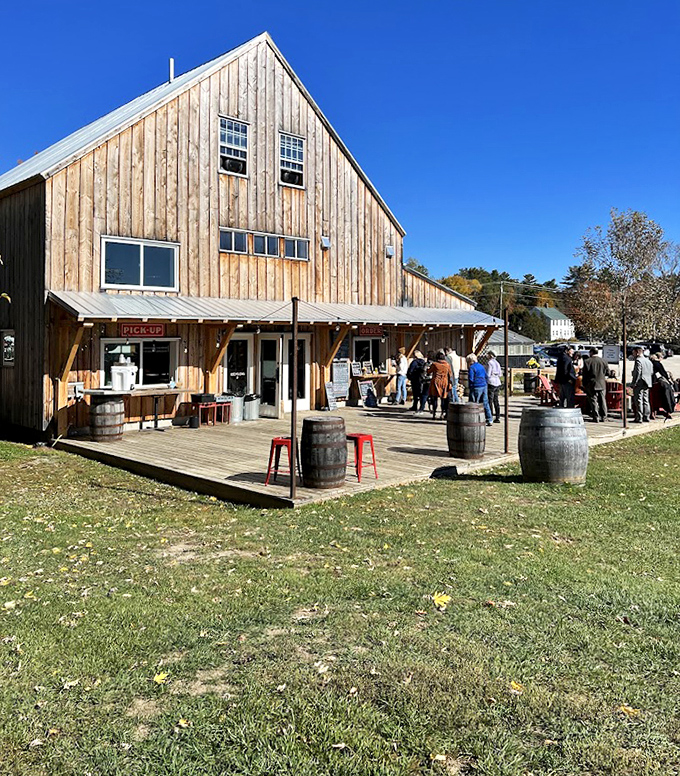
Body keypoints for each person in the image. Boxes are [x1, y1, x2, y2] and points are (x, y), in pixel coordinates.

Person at [581, 347, 608, 422]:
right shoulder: (604, 361)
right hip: (602, 383)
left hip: (591, 383)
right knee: (602, 400)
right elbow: (607, 372)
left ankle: (596, 417)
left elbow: (585, 374)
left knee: (593, 400)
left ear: (591, 352)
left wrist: (584, 384)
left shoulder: (587, 361)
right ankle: (604, 416)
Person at [466, 353, 493, 426]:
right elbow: (486, 376)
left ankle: (473, 419)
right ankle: (489, 419)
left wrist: (469, 387)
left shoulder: (472, 368)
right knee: (485, 403)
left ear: (470, 361)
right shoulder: (481, 366)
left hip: (476, 386)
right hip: (484, 385)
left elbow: (471, 378)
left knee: (474, 403)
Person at [427, 351, 452, 419]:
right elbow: (450, 374)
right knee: (443, 398)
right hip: (444, 382)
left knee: (434, 398)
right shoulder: (447, 365)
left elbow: (429, 371)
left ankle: (434, 413)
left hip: (436, 382)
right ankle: (442, 413)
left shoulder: (435, 364)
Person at [631, 345, 653, 423]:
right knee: (646, 400)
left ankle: (639, 417)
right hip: (647, 382)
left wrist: (634, 383)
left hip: (640, 382)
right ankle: (646, 416)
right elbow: (651, 372)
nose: (632, 354)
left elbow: (638, 373)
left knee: (639, 400)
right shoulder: (648, 361)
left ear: (637, 352)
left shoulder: (638, 361)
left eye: (633, 352)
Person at [650, 352, 675, 419]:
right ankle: (669, 408)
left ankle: (654, 411)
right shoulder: (657, 364)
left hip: (651, 384)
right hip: (659, 384)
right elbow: (663, 373)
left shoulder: (650, 364)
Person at [485, 350, 502, 423]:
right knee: (496, 400)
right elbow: (500, 374)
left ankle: (490, 415)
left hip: (491, 382)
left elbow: (488, 374)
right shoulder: (497, 363)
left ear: (491, 355)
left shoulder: (489, 363)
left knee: (490, 400)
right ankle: (498, 416)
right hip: (497, 382)